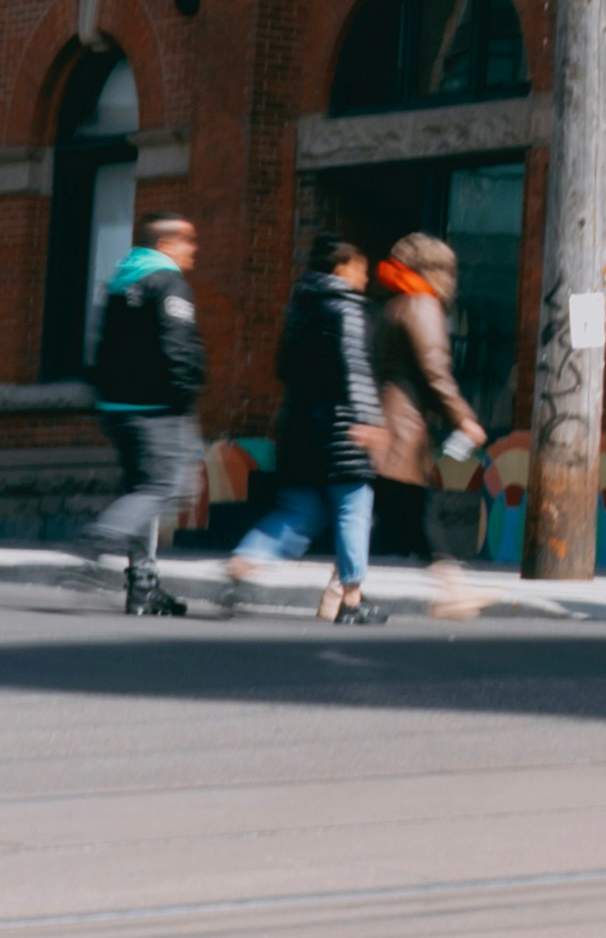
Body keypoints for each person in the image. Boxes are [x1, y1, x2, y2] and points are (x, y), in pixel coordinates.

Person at [227, 232, 385, 627]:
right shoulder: (345, 308)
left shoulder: (300, 307)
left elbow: (284, 367)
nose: (365, 276)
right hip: (341, 427)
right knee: (353, 508)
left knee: (300, 510)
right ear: (342, 269)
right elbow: (355, 369)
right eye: (361, 268)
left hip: (299, 426)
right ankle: (352, 599)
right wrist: (368, 420)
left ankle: (247, 557)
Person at [83, 206, 202, 617]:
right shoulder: (168, 283)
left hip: (117, 406)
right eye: (188, 241)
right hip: (158, 406)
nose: (194, 249)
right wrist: (185, 393)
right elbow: (177, 346)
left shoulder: (119, 282)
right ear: (165, 244)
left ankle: (143, 589)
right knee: (165, 488)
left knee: (142, 490)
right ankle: (105, 535)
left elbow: (100, 343)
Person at [369, 234, 492, 617]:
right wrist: (464, 417)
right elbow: (435, 370)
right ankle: (453, 594)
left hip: (383, 427)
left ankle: (451, 593)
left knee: (384, 517)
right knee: (420, 519)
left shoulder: (392, 305)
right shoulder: (422, 304)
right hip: (402, 431)